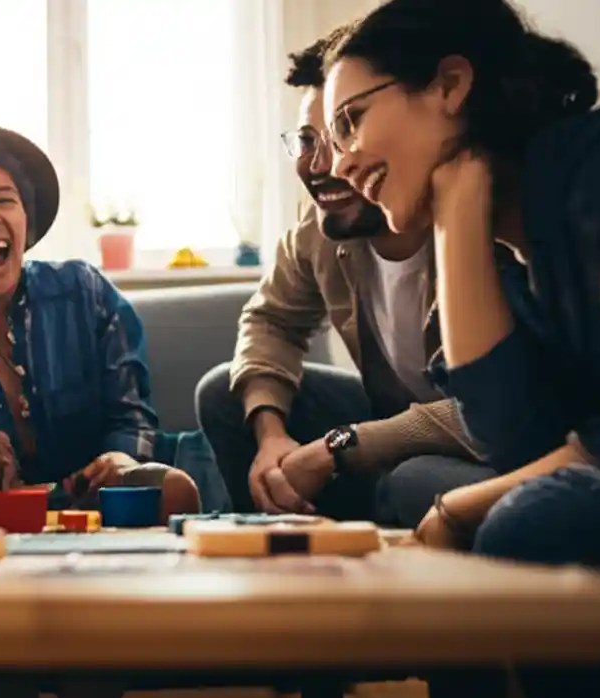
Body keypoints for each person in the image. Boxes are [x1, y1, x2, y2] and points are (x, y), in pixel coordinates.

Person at [324, 0, 600, 698]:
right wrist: (456, 223)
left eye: (351, 120)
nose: (340, 161)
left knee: (534, 518)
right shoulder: (506, 250)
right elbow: (512, 437)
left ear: (451, 85)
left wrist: (455, 509)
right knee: (511, 507)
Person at [195, 25, 492, 525]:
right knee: (224, 392)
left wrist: (338, 448)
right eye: (307, 141)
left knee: (412, 480)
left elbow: (491, 409)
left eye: (345, 131)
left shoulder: (479, 223)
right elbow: (270, 322)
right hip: (391, 417)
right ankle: (284, 543)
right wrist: (272, 436)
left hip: (485, 440)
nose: (323, 163)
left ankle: (367, 525)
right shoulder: (317, 234)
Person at [0, 124, 201, 521]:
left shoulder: (85, 291)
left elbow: (131, 417)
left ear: (26, 224)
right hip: (0, 518)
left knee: (169, 489)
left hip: (113, 504)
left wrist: (119, 459)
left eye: (4, 200)